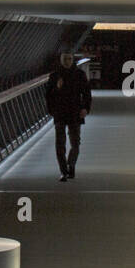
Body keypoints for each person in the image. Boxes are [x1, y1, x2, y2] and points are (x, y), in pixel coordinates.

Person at [45, 52, 91, 181]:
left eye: (69, 59)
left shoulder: (79, 75)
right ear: (61, 60)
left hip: (75, 112)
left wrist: (85, 108)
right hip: (60, 112)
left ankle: (71, 164)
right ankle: (64, 171)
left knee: (75, 143)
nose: (67, 61)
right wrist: (52, 109)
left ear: (72, 60)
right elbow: (48, 95)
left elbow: (86, 93)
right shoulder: (54, 76)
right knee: (60, 143)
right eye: (65, 59)